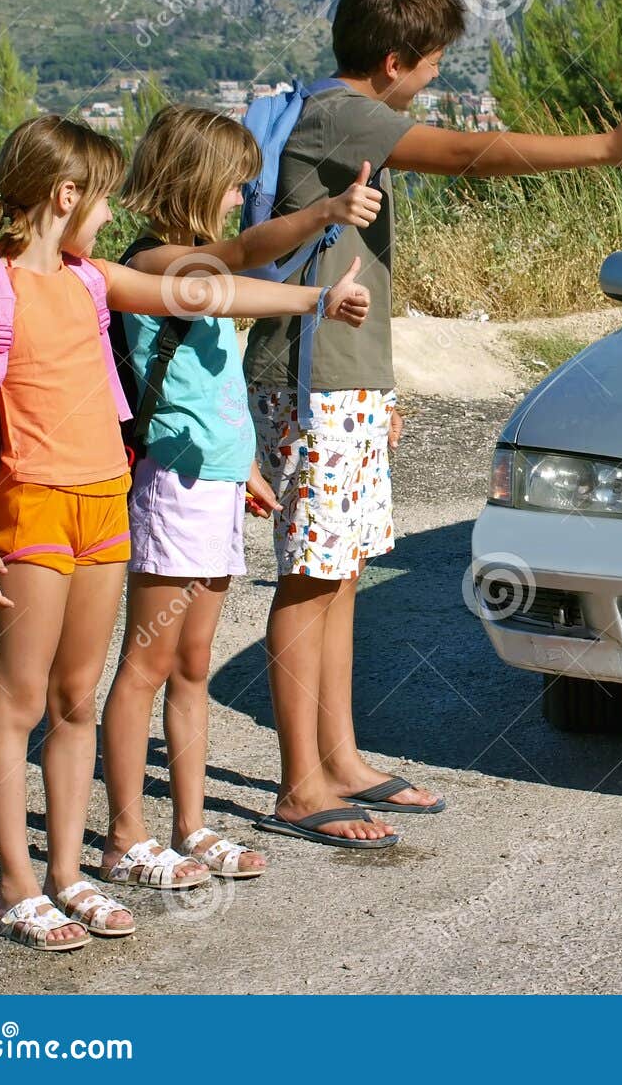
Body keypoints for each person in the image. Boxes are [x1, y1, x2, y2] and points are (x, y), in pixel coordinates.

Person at [243, 0, 622, 847]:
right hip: (313, 381)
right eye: (432, 66)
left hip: (346, 383)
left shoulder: (349, 114)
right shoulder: (343, 115)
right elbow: (474, 155)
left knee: (344, 571)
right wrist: (603, 149)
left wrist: (379, 391)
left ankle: (341, 758)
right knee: (311, 576)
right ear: (394, 61)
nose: (434, 81)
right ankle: (299, 787)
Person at [0, 114, 371, 950]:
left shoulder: (92, 279)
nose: (109, 211)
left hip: (104, 504)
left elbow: (214, 291)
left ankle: (67, 874)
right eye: (100, 198)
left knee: (76, 698)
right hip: (33, 507)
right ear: (66, 196)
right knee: (24, 698)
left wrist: (315, 299)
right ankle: (18, 882)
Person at [99, 105, 386, 891]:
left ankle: (189, 828)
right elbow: (231, 268)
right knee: (146, 666)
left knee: (192, 665)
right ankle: (126, 835)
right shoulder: (156, 262)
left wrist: (245, 466)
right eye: (234, 183)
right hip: (172, 487)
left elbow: (213, 383)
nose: (239, 196)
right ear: (197, 179)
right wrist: (321, 225)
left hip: (217, 483)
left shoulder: (193, 264)